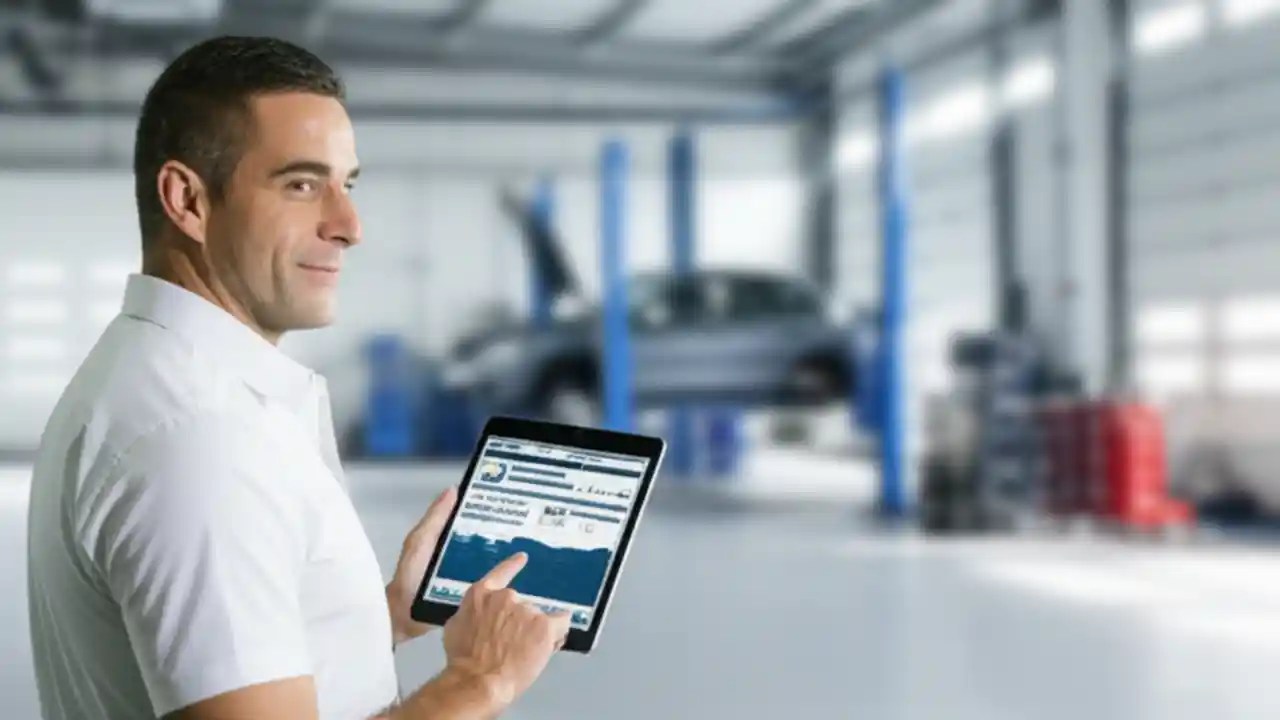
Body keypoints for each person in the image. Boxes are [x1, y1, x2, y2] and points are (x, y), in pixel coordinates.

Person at [25, 35, 569, 720]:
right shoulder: (200, 440)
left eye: (348, 184)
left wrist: (382, 621)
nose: (349, 225)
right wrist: (479, 681)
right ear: (187, 200)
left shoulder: (153, 379)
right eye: (302, 185)